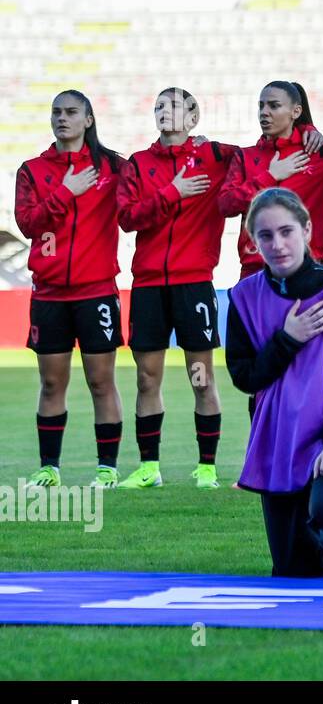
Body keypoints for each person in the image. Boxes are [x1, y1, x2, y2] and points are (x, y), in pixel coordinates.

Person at [226, 188, 323, 577]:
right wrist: (287, 339)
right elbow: (246, 377)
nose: (277, 244)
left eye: (286, 231)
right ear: (254, 241)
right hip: (278, 436)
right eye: (266, 236)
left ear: (307, 230)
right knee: (294, 570)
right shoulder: (244, 297)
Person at [116, 88, 232, 488]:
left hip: (194, 284)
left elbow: (261, 154)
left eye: (176, 106)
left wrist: (311, 134)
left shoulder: (217, 156)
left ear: (195, 117)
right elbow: (127, 218)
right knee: (147, 379)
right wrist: (173, 193)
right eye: (160, 107)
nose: (166, 113)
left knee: (201, 377)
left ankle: (207, 468)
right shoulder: (139, 164)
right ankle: (150, 468)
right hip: (148, 285)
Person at [16, 91, 125, 488]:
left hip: (96, 292)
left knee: (101, 381)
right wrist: (67, 190)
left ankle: (108, 469)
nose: (63, 119)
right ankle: (49, 468)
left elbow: (143, 193)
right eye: (57, 112)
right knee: (51, 383)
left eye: (71, 112)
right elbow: (28, 224)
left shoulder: (114, 167)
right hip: (49, 295)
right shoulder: (31, 170)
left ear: (89, 120)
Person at [218, 81, 323, 282]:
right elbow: (226, 205)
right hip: (255, 271)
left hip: (309, 268)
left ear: (296, 112)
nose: (264, 112)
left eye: (273, 106)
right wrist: (270, 177)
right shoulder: (245, 157)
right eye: (260, 106)